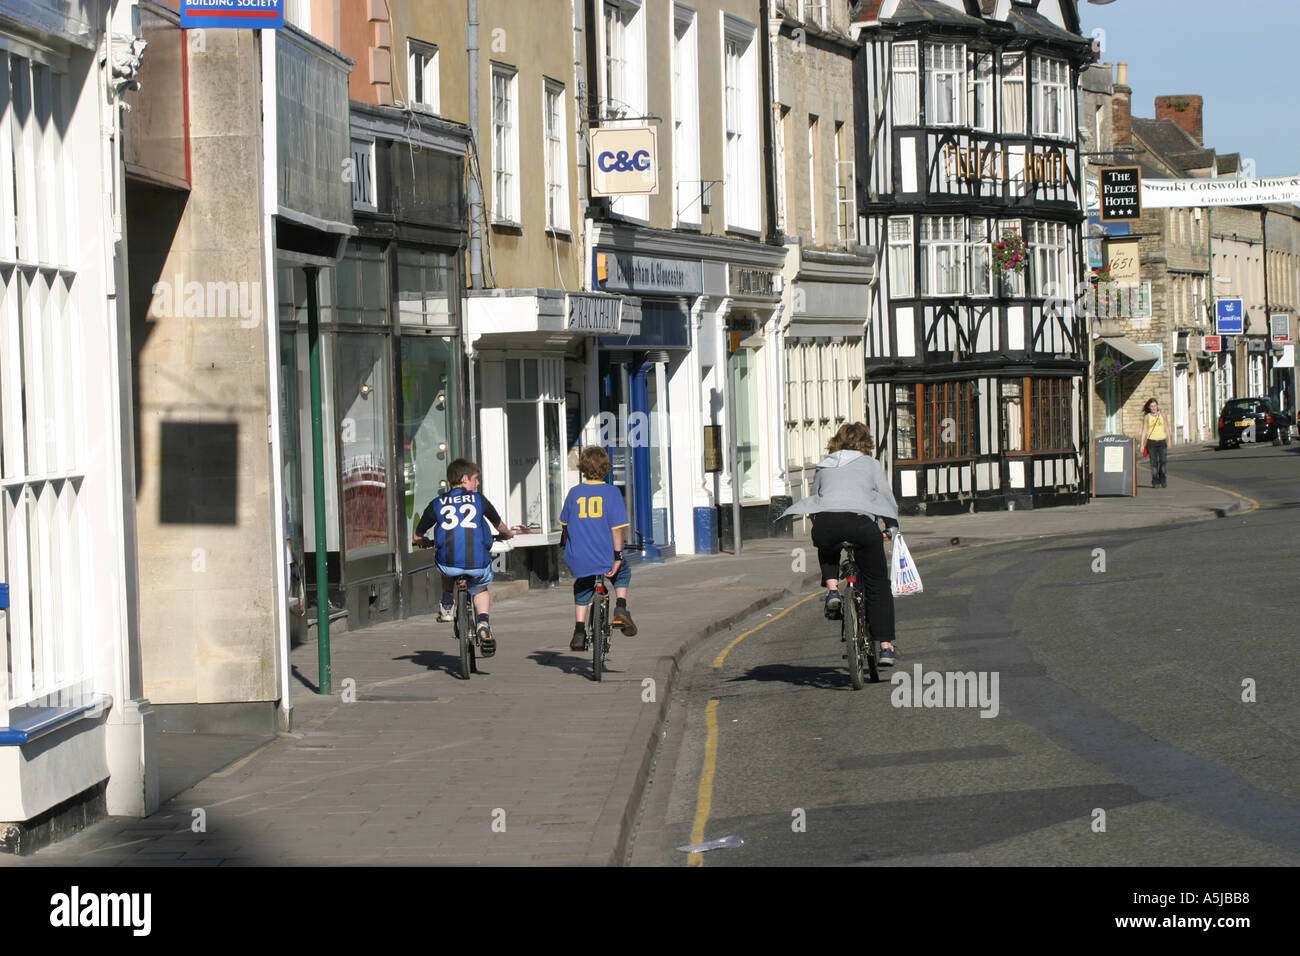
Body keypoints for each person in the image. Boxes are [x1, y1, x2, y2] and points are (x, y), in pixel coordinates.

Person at [781, 422, 901, 666]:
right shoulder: (871, 464)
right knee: (877, 583)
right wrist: (892, 528)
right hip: (860, 524)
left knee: (828, 545)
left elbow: (817, 497)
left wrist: (820, 523)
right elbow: (886, 498)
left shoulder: (825, 464)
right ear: (866, 443)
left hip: (827, 522)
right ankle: (886, 647)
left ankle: (833, 589)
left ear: (837, 441)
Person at [412, 459, 512, 656]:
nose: (478, 483)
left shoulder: (437, 503)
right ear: (465, 479)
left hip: (448, 565)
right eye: (476, 479)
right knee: (481, 589)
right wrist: (507, 535)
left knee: (445, 561)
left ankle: (447, 603)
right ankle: (483, 622)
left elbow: (418, 535)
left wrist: (421, 541)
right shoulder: (478, 500)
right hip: (477, 564)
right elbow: (498, 524)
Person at [559, 446, 636, 652]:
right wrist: (617, 556)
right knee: (622, 572)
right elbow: (617, 530)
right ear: (606, 468)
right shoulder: (611, 493)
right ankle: (620, 608)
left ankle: (579, 631)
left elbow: (565, 525)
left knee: (582, 586)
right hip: (604, 555)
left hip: (580, 557)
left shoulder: (574, 493)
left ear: (583, 468)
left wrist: (566, 543)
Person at [1141, 397, 1169, 488]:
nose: (1154, 408)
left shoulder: (1162, 415)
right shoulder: (1147, 417)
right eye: (1152, 406)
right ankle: (1155, 480)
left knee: (1163, 461)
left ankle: (1163, 477)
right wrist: (1142, 444)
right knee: (1153, 463)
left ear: (1157, 406)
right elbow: (1144, 430)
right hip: (1151, 442)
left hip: (1162, 441)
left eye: (1155, 406)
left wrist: (1170, 440)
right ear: (1149, 407)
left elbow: (1167, 427)